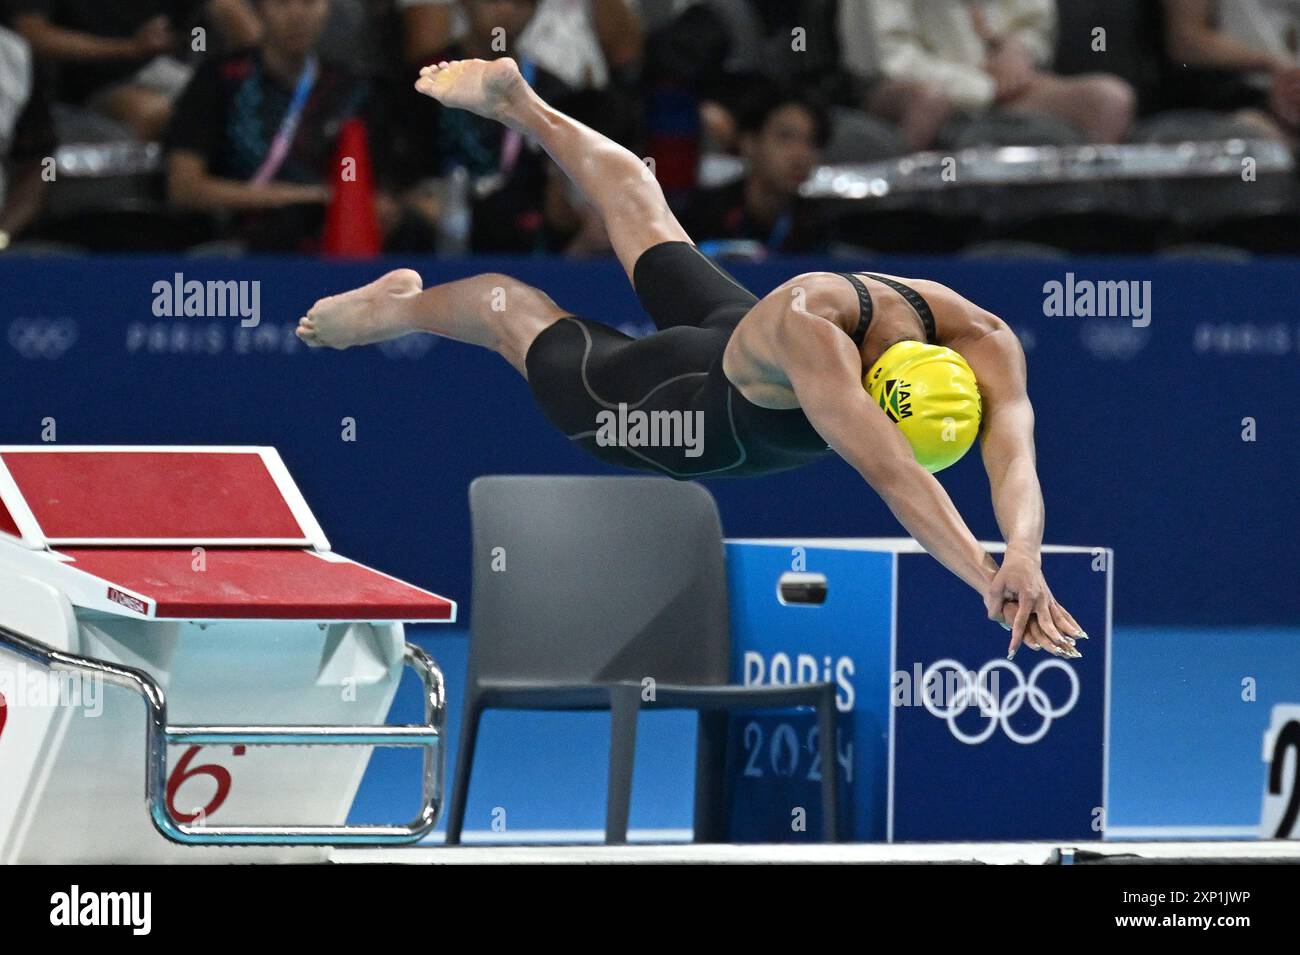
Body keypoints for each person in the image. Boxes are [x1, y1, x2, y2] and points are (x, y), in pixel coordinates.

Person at [297, 56, 1085, 656]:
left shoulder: (980, 337)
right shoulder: (818, 337)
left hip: (743, 338)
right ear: (877, 389)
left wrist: (1022, 552)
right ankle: (401, 306)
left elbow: (1014, 459)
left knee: (642, 208)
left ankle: (522, 104)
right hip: (692, 405)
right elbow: (896, 475)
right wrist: (989, 580)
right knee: (519, 321)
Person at [163, 0, 363, 251]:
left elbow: (370, 187)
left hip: (330, 245)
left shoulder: (352, 89)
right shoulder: (219, 79)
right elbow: (184, 188)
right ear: (258, 8)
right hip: (235, 243)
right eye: (281, 3)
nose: (296, 15)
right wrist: (300, 198)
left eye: (309, 2)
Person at [9, 0, 260, 141]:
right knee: (158, 113)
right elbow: (32, 35)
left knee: (237, 101)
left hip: (165, 67)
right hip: (84, 83)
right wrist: (128, 48)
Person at [680, 92, 832, 256]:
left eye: (812, 141)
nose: (801, 155)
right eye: (786, 137)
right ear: (749, 143)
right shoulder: (702, 215)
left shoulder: (818, 225)